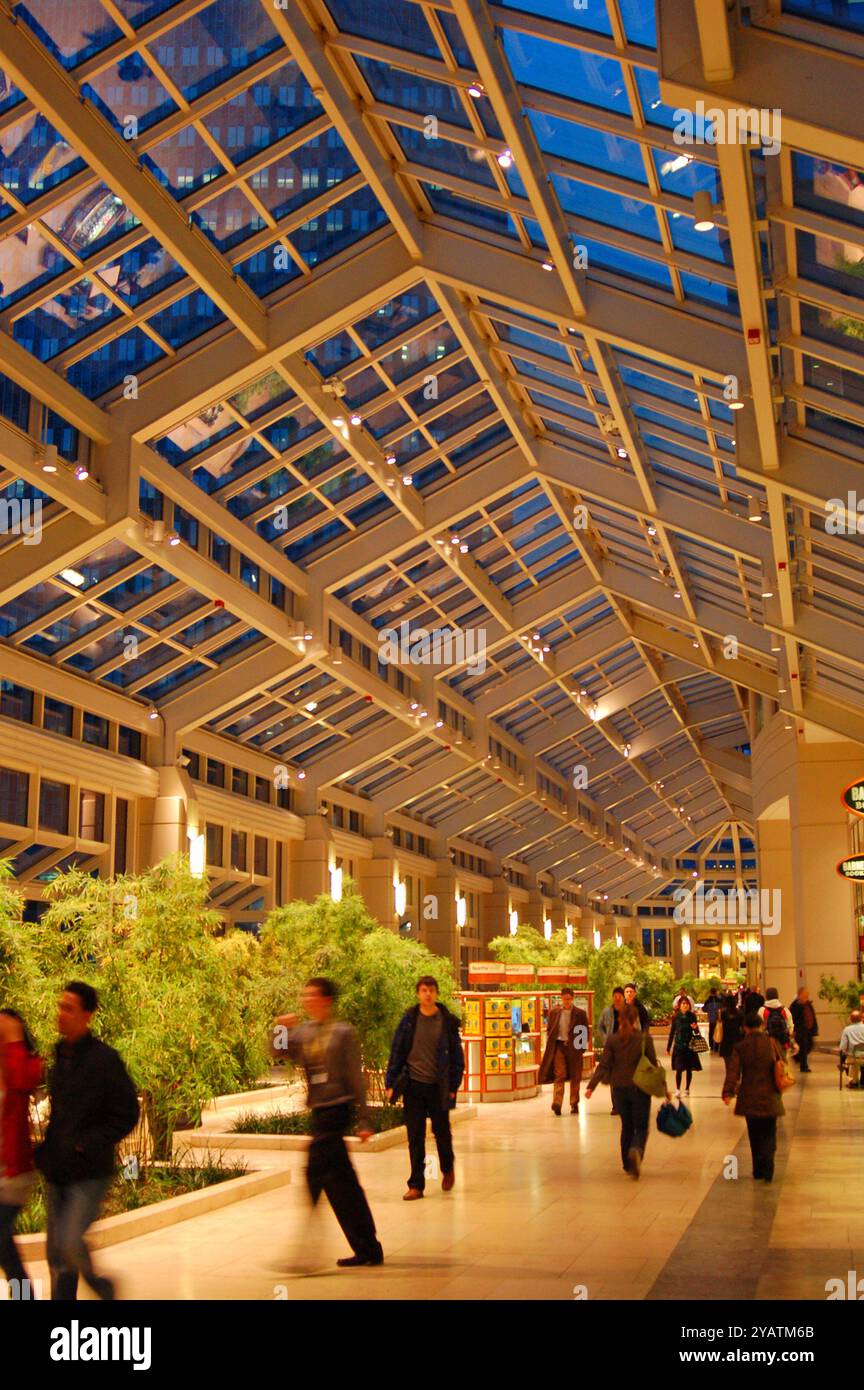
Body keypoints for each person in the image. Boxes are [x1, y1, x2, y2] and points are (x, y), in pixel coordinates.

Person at [35, 982, 139, 1301]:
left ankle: (101, 1287)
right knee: (56, 1253)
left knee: (68, 1243)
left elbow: (127, 1113)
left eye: (69, 1008)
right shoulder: (59, 1055)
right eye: (60, 1006)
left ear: (87, 1015)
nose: (61, 1014)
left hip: (89, 1170)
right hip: (58, 1168)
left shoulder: (104, 1060)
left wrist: (89, 1142)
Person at [273, 978, 383, 1266]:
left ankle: (307, 1247)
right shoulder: (305, 1032)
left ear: (326, 999)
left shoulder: (343, 1033)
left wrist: (364, 1118)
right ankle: (367, 1247)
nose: (306, 1000)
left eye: (312, 995)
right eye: (305, 994)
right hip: (319, 1111)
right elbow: (279, 1052)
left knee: (314, 1172)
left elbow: (355, 1077)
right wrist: (280, 1028)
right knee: (341, 1184)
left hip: (337, 1110)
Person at [384, 975, 464, 1200]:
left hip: (438, 1086)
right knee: (415, 1136)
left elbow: (457, 1057)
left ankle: (447, 1168)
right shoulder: (409, 1019)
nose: (427, 994)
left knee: (442, 1132)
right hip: (413, 1086)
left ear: (436, 994)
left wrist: (453, 1085)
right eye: (423, 990)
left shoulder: (447, 1021)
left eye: (431, 990)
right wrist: (390, 1082)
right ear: (418, 994)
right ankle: (416, 1184)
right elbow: (397, 1051)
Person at [585, 1005, 668, 1180]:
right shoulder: (644, 1039)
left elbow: (604, 1065)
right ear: (636, 1019)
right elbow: (653, 1065)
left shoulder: (613, 1040)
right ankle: (636, 1151)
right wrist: (664, 1089)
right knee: (641, 1127)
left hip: (619, 1090)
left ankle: (626, 1163)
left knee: (627, 1126)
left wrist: (591, 1086)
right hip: (639, 1089)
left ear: (620, 1019)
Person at [0, 1009, 43, 1298]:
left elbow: (21, 1078)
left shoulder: (23, 1064)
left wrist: (13, 1036)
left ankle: (25, 1296)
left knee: (2, 1240)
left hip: (12, 1173)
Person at [722, 1011, 785, 1182]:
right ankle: (768, 1163)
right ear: (762, 1025)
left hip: (749, 1096)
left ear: (745, 1028)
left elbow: (733, 1072)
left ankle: (758, 1169)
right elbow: (782, 1063)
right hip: (771, 1095)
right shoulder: (772, 1043)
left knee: (754, 1133)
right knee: (770, 1132)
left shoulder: (740, 1047)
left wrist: (728, 1092)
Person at [538, 987, 589, 1115]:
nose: (567, 1001)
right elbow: (550, 1030)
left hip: (574, 1048)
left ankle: (574, 1103)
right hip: (559, 1046)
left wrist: (581, 1049)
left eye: (569, 999)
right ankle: (557, 1103)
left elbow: (584, 1031)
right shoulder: (554, 1013)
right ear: (561, 998)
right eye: (565, 999)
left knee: (575, 1076)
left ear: (572, 999)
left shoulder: (580, 1014)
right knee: (559, 1074)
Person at [597, 987, 625, 1115]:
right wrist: (605, 1040)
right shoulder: (606, 1012)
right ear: (613, 997)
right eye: (616, 996)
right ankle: (616, 1106)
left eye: (620, 996)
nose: (618, 998)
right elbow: (600, 1027)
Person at [666, 998, 702, 1097]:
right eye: (683, 1003)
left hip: (690, 1046)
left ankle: (687, 1088)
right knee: (679, 1068)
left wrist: (696, 1029)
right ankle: (677, 1089)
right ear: (679, 1005)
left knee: (689, 1069)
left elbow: (696, 1032)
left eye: (687, 1004)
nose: (685, 1005)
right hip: (679, 1046)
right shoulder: (676, 1017)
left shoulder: (692, 1016)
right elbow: (672, 1032)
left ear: (689, 1006)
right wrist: (668, 1047)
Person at [789, 987, 818, 1073]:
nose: (807, 995)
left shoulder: (808, 1004)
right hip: (800, 1030)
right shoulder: (795, 1005)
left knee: (810, 1045)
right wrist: (793, 1029)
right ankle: (804, 1066)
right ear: (800, 994)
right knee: (803, 1048)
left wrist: (814, 1028)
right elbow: (793, 1018)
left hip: (809, 1029)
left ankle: (797, 1058)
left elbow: (812, 1016)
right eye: (805, 993)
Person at [760, 988, 794, 1057]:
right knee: (782, 1063)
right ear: (777, 996)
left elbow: (759, 1027)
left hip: (767, 1042)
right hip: (782, 1041)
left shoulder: (762, 1010)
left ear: (766, 996)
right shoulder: (784, 1009)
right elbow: (790, 1026)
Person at [838, 1010, 864, 1087]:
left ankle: (853, 1081)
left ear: (851, 1019)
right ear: (861, 1018)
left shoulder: (847, 1029)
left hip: (854, 1057)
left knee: (850, 1059)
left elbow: (842, 1048)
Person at [717, 993, 744, 1063]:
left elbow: (719, 1024)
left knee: (728, 1063)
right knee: (736, 1063)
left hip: (726, 1040)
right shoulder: (739, 1013)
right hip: (737, 1039)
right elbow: (742, 1027)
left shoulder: (722, 1013)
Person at [703, 988, 722, 1052]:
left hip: (711, 1018)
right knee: (717, 1032)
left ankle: (711, 1046)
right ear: (716, 992)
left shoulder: (708, 1000)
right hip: (717, 1019)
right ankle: (716, 1046)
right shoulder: (719, 1000)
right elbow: (722, 1008)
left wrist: (709, 1010)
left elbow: (704, 1009)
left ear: (710, 992)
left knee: (711, 1032)